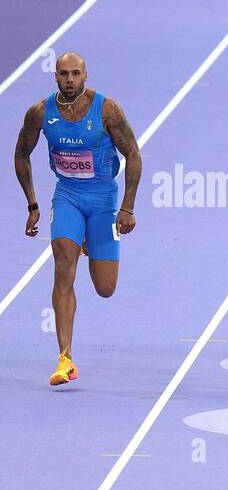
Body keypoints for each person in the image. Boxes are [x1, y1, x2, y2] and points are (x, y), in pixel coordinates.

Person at [14, 51, 141, 386]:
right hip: (67, 195)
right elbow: (21, 153)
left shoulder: (107, 109)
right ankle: (65, 359)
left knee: (105, 288)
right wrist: (32, 204)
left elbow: (133, 153)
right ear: (55, 77)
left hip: (102, 200)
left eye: (75, 74)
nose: (69, 80)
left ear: (85, 76)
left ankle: (89, 240)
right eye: (63, 74)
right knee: (62, 268)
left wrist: (127, 207)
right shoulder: (41, 113)